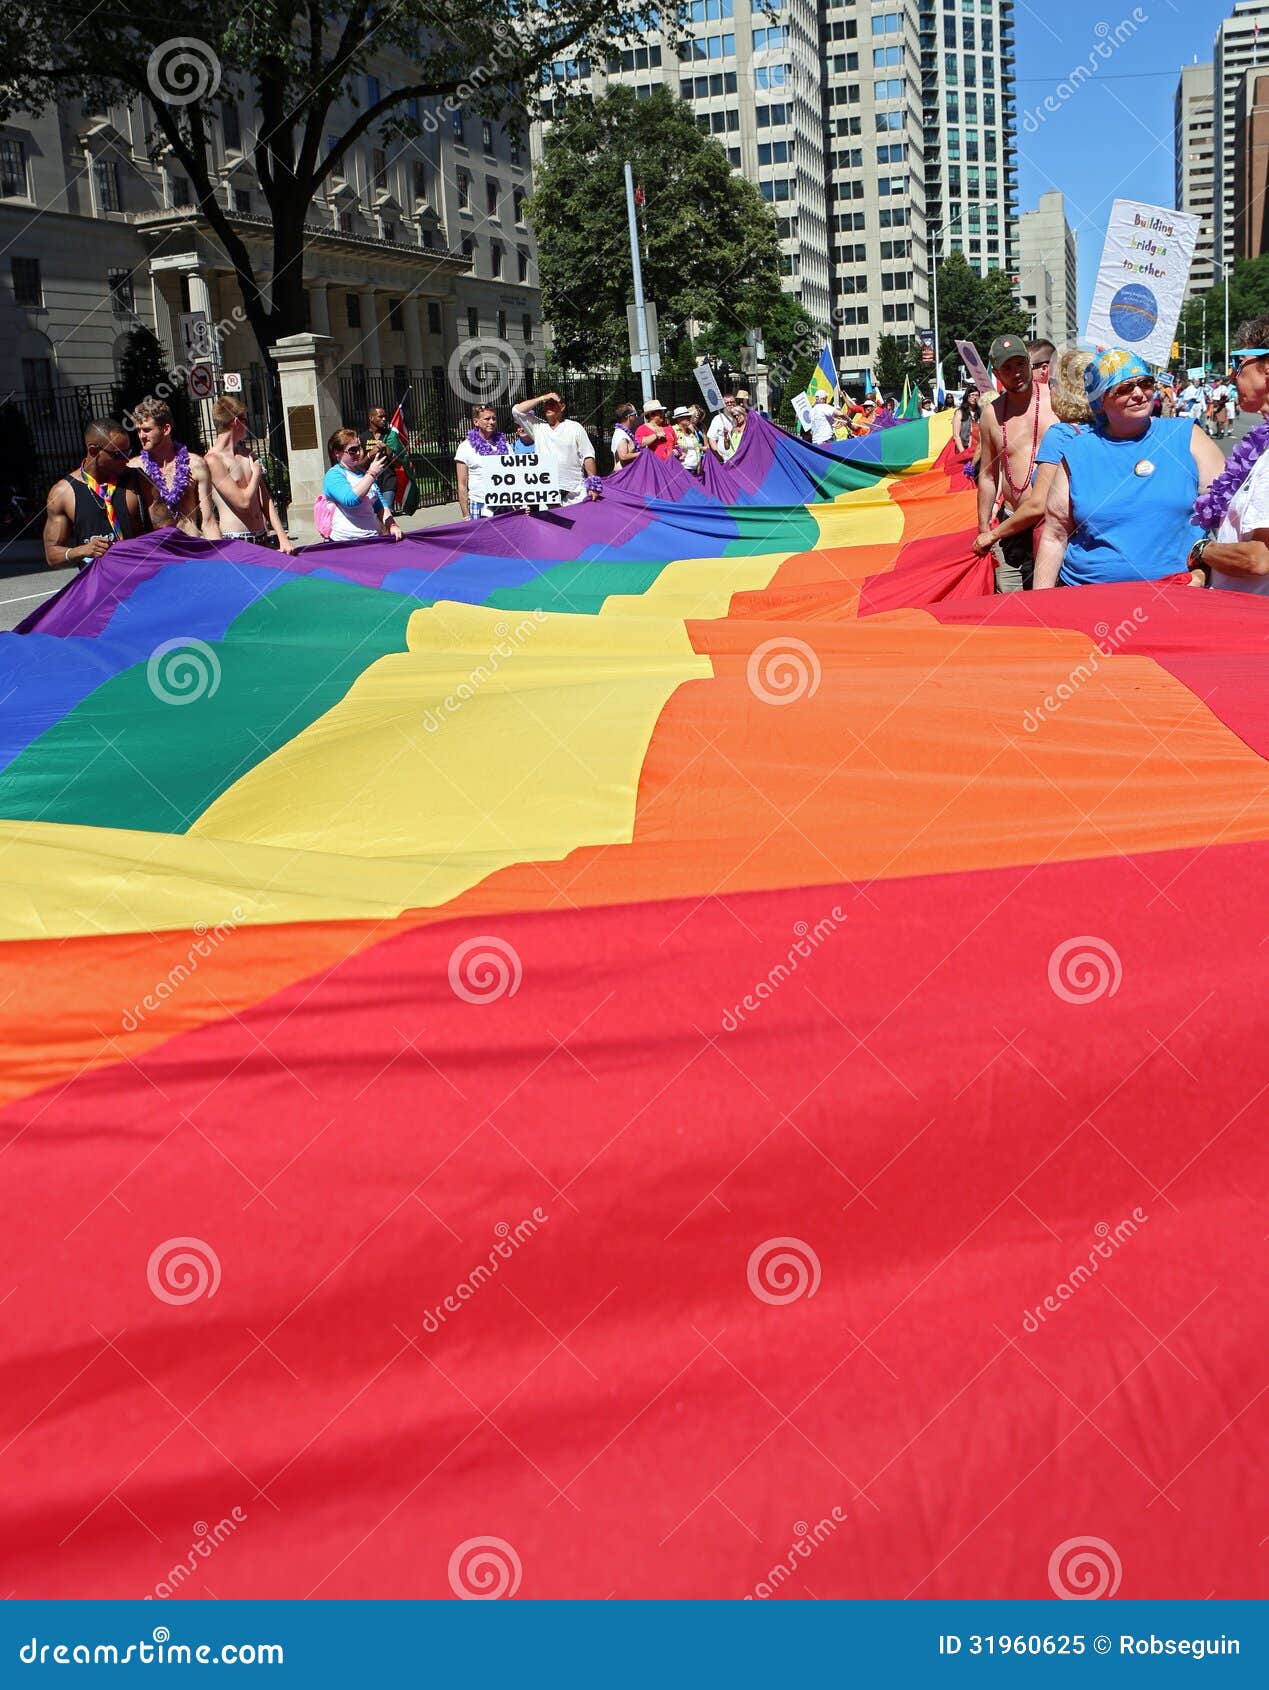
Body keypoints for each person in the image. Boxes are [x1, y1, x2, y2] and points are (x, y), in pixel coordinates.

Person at [1033, 348, 1224, 589]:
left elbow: (1226, 516)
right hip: (1089, 596)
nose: (1138, 394)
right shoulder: (1077, 452)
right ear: (1101, 399)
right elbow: (1054, 535)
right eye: (1124, 388)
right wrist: (1040, 602)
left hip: (1179, 593)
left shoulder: (1186, 435)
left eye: (1144, 383)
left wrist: (1205, 571)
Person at [1188, 325, 1269, 594]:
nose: (1232, 375)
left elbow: (1259, 559)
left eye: (1238, 363)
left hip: (1252, 622)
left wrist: (1203, 551)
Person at [973, 333, 1057, 591]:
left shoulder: (1056, 401)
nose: (1016, 372)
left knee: (1048, 605)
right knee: (1009, 608)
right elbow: (988, 476)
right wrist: (983, 525)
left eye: (1020, 364)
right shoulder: (991, 414)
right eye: (1007, 368)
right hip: (1009, 525)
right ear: (997, 374)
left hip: (1054, 524)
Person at [42, 417, 146, 569]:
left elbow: (165, 532)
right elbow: (52, 555)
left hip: (139, 578)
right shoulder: (63, 493)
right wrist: (81, 551)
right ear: (93, 451)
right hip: (98, 586)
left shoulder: (138, 480)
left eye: (128, 452)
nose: (126, 460)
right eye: (118, 455)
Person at [204, 396, 294, 551]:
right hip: (236, 542)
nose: (247, 426)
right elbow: (243, 503)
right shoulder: (213, 460)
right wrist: (256, 474)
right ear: (235, 422)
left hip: (262, 538)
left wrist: (282, 537)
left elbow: (265, 499)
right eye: (245, 420)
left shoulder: (247, 454)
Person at [129, 398, 219, 536]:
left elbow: (208, 521)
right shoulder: (135, 468)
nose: (141, 436)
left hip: (191, 547)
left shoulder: (195, 464)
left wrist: (218, 555)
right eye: (138, 431)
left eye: (147, 430)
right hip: (158, 551)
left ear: (166, 429)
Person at [512, 390, 602, 501]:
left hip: (574, 495)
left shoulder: (575, 427)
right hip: (547, 495)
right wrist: (543, 397)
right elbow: (516, 411)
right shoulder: (538, 427)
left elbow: (588, 456)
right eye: (546, 404)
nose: (548, 406)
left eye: (553, 404)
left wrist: (593, 484)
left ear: (562, 406)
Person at [323, 428, 404, 540]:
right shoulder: (333, 475)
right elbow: (350, 500)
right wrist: (372, 473)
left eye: (359, 448)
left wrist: (392, 525)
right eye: (353, 450)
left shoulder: (362, 473)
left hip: (373, 538)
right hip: (346, 543)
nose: (358, 452)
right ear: (337, 453)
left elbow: (380, 505)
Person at [454, 402, 510, 520]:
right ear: (476, 422)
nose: (492, 422)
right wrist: (466, 515)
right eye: (487, 419)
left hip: (504, 503)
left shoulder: (505, 445)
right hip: (479, 503)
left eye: (494, 418)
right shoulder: (465, 447)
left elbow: (515, 474)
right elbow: (462, 485)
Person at [366, 405, 399, 513]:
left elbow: (397, 462)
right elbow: (360, 463)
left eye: (385, 416)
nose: (384, 419)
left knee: (387, 512)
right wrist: (370, 454)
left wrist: (388, 450)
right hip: (370, 483)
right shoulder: (363, 437)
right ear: (371, 418)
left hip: (388, 480)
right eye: (380, 417)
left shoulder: (390, 435)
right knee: (374, 514)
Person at [610, 402, 640, 468]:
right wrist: (641, 454)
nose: (636, 417)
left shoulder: (625, 433)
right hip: (623, 474)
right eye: (634, 414)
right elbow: (623, 456)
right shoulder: (621, 434)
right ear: (629, 417)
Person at [672, 406, 702, 472]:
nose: (689, 418)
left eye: (689, 416)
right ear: (679, 419)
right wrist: (674, 451)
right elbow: (668, 447)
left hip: (695, 470)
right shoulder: (673, 431)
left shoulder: (690, 432)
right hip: (682, 470)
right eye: (686, 417)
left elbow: (696, 449)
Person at [955, 387, 980, 452]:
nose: (974, 397)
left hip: (979, 449)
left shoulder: (981, 412)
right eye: (972, 395)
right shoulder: (959, 412)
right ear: (967, 396)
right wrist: (963, 453)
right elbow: (956, 435)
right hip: (964, 448)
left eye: (976, 395)